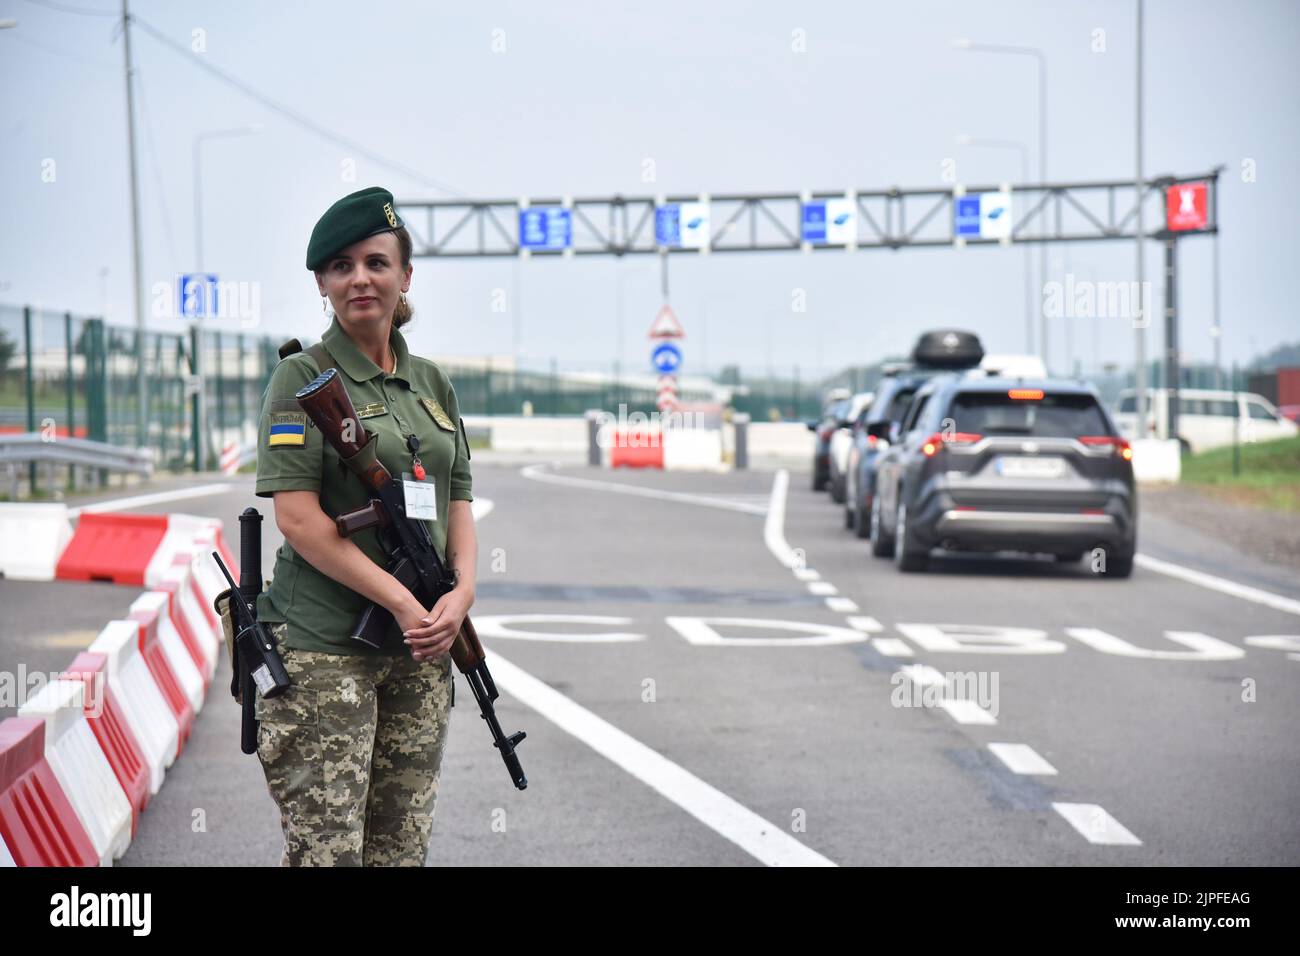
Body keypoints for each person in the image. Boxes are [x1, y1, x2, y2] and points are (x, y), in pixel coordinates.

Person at [252, 185, 476, 866]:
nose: (360, 279)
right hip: (325, 652)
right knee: (330, 856)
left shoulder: (432, 382)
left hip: (418, 653)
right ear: (322, 282)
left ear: (405, 276)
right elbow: (297, 519)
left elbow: (457, 497)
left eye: (377, 263)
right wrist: (406, 601)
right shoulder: (302, 377)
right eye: (342, 267)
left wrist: (461, 595)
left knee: (398, 855)